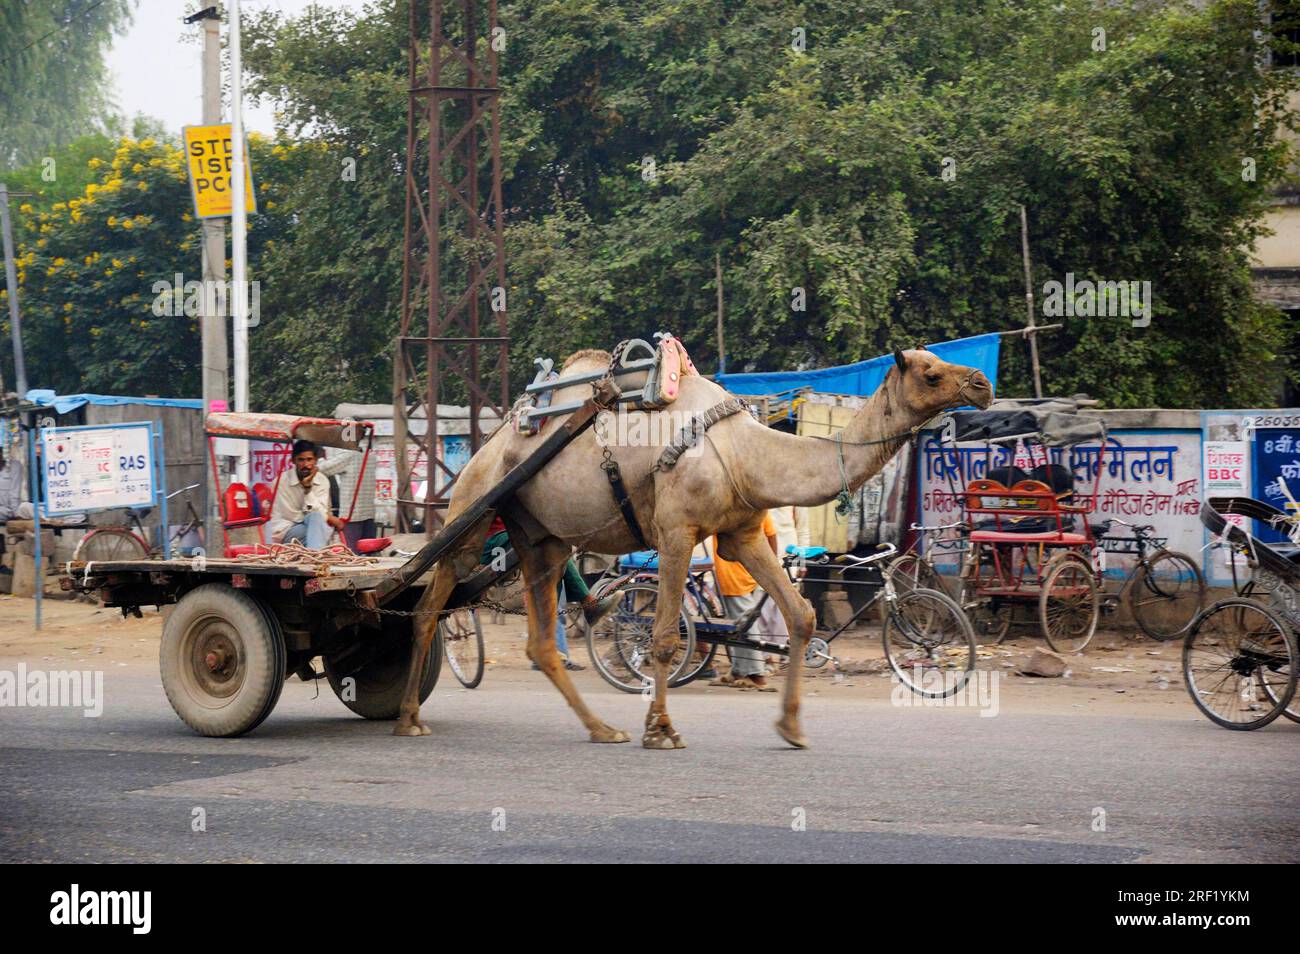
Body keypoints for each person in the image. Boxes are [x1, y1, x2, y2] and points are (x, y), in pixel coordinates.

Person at [479, 516, 619, 671]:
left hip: (513, 534)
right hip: (496, 541)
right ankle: (586, 605)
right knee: (551, 547)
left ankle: (555, 647)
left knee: (557, 551)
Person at [710, 513, 779, 690]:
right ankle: (739, 671)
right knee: (739, 626)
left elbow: (771, 535)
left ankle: (756, 675)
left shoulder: (733, 508)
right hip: (743, 572)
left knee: (745, 625)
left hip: (733, 574)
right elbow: (772, 535)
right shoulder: (757, 508)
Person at [270, 440, 345, 548]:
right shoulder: (281, 481)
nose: (306, 465)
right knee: (318, 525)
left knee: (316, 519)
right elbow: (292, 515)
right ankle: (316, 557)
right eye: (301, 460)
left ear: (315, 460)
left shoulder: (322, 480)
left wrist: (308, 490)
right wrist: (328, 518)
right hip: (287, 530)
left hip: (315, 525)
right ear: (293, 461)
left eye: (309, 460)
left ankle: (314, 554)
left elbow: (319, 515)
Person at [0, 445, 34, 523]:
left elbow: (14, 494)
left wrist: (16, 514)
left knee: (25, 507)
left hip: (11, 511)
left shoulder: (14, 466)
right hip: (3, 513)